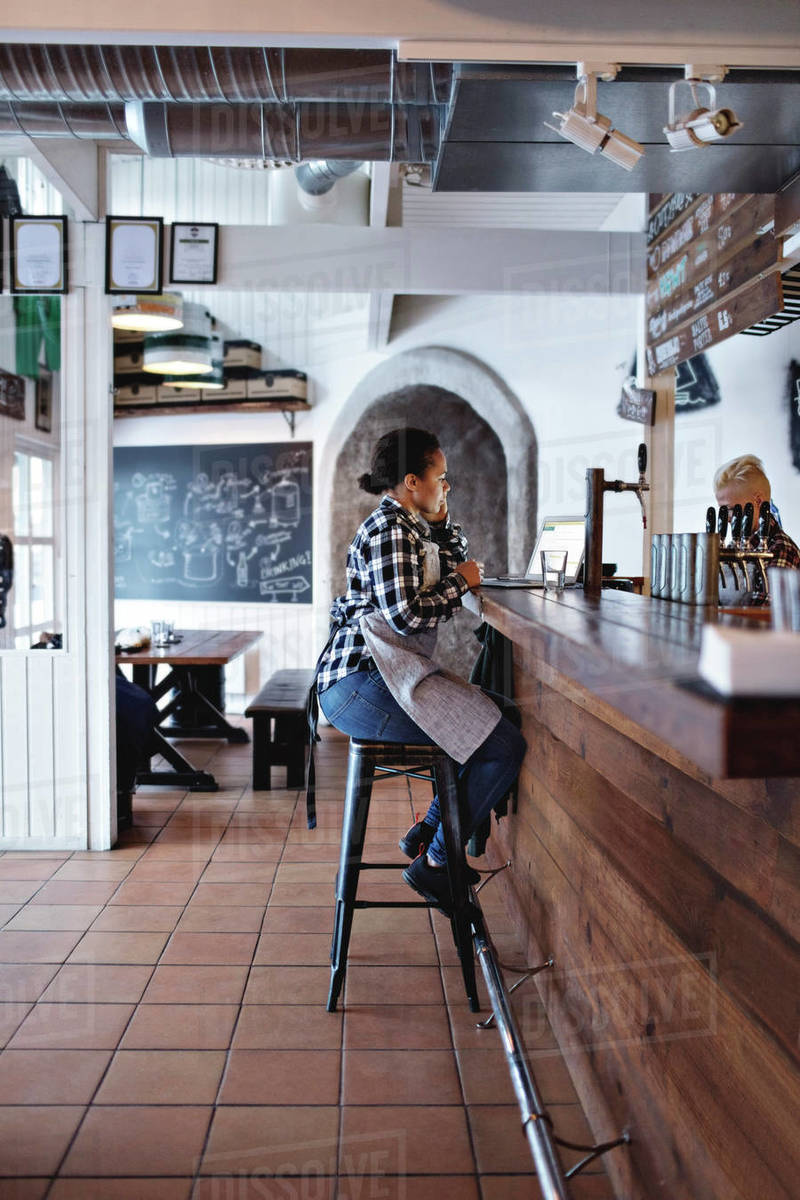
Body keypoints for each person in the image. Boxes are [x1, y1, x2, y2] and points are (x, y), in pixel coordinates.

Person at [315, 426, 526, 914]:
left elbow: (455, 559)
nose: (445, 485)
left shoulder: (416, 528)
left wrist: (446, 525)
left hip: (389, 674)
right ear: (412, 481)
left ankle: (428, 834)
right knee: (500, 743)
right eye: (441, 477)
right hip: (359, 682)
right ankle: (435, 864)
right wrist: (459, 581)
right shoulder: (389, 530)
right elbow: (406, 615)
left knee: (500, 718)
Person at [713, 454, 800, 569]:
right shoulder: (735, 546)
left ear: (758, 501)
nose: (727, 518)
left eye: (732, 509)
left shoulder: (781, 549)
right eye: (723, 511)